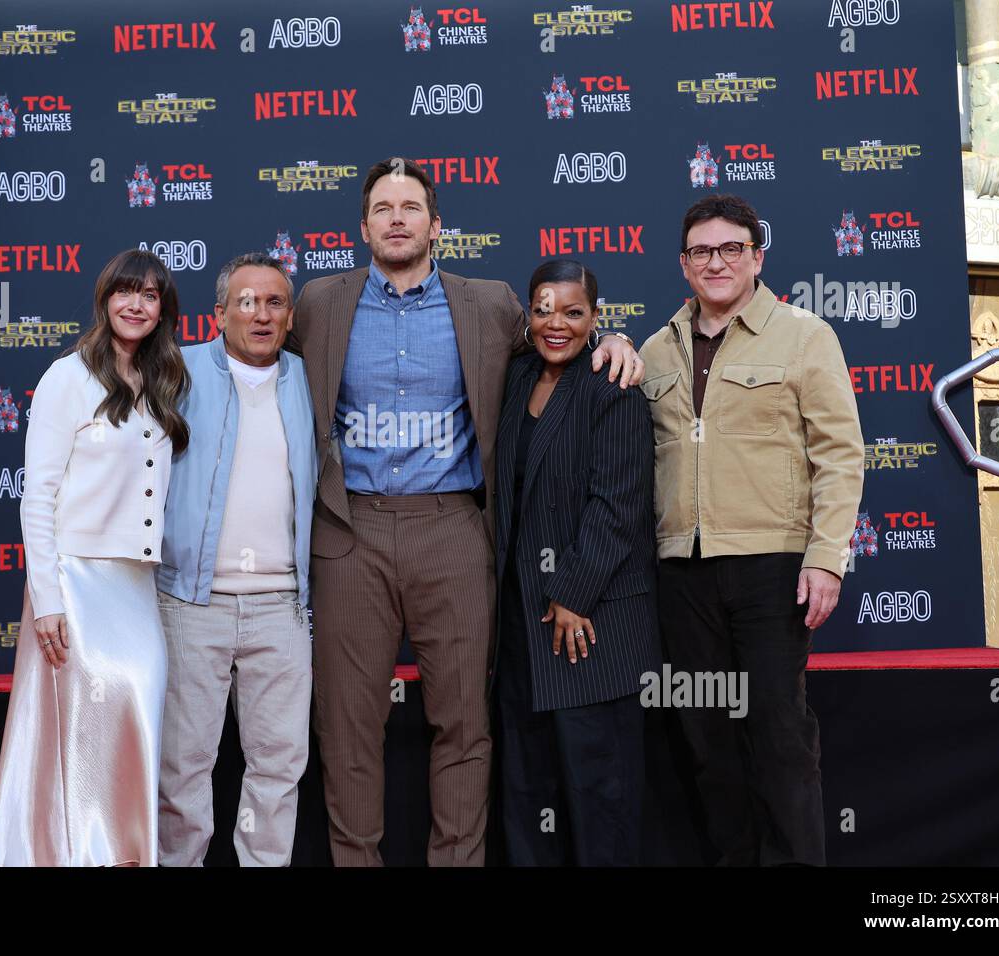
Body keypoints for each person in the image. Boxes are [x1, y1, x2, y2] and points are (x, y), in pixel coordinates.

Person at [286, 157, 645, 866]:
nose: (396, 218)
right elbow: (250, 349)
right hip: (348, 533)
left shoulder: (490, 303)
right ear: (362, 227)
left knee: (464, 726)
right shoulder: (319, 302)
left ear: (436, 225)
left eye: (410, 206)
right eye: (382, 207)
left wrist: (615, 340)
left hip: (453, 530)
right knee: (348, 729)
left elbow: (560, 336)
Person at [639, 194, 864, 866]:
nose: (717, 262)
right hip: (681, 574)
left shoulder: (804, 335)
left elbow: (840, 453)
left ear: (756, 256)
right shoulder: (655, 350)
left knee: (778, 740)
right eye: (702, 251)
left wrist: (826, 559)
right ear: (684, 265)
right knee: (706, 743)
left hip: (772, 572)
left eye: (731, 248)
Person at [0, 249, 190, 867]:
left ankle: (128, 857)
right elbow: (37, 496)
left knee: (136, 722)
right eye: (126, 292)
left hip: (135, 587)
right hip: (75, 584)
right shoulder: (66, 377)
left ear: (162, 309)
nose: (136, 304)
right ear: (105, 299)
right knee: (79, 739)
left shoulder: (162, 382)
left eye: (150, 295)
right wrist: (46, 599)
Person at [494, 259, 659, 866]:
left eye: (572, 312)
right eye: (542, 309)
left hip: (591, 628)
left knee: (599, 794)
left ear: (596, 318)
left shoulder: (610, 385)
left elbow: (618, 505)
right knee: (524, 788)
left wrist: (573, 595)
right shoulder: (513, 377)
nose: (555, 323)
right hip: (519, 627)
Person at [156, 253, 317, 867]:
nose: (261, 313)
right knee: (183, 769)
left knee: (279, 766)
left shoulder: (310, 378)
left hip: (282, 606)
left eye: (274, 302)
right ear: (219, 312)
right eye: (246, 302)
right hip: (191, 603)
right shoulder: (176, 371)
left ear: (290, 316)